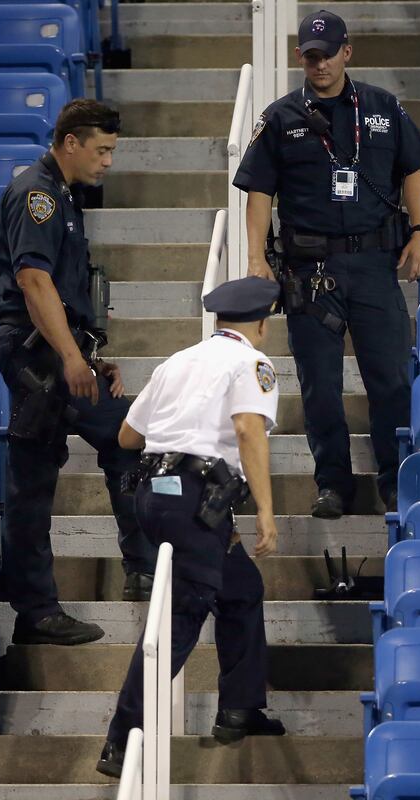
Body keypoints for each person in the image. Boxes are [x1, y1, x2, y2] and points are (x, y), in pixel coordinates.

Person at [232, 9, 420, 519]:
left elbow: (413, 170)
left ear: (348, 52)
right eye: (310, 56)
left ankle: (396, 479)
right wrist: (257, 258)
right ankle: (333, 485)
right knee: (319, 385)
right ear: (300, 57)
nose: (319, 65)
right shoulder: (281, 118)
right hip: (309, 271)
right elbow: (258, 193)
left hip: (373, 263)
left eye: (328, 54)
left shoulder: (383, 108)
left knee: (390, 379)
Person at [96, 276, 286, 776]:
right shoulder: (253, 363)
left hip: (155, 496)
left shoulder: (176, 361)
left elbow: (127, 435)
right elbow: (248, 430)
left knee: (241, 588)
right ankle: (122, 739)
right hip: (194, 499)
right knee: (180, 617)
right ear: (262, 324)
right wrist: (265, 511)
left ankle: (240, 707)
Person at [0, 98, 159, 647]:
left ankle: (141, 568)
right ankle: (37, 611)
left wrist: (89, 356)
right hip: (40, 357)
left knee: (126, 437)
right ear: (71, 143)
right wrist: (68, 358)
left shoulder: (62, 196)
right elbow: (34, 284)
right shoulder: (37, 195)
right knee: (33, 483)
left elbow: (64, 291)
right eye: (102, 150)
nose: (108, 161)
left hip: (61, 352)